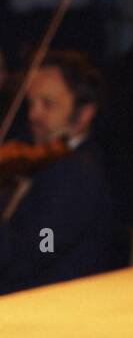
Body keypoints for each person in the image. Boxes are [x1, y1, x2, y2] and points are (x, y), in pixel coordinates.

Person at [0, 51, 121, 294]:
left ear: (84, 114)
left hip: (46, 308)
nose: (34, 115)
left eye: (48, 104)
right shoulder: (37, 163)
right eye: (31, 103)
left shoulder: (78, 174)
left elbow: (36, 253)